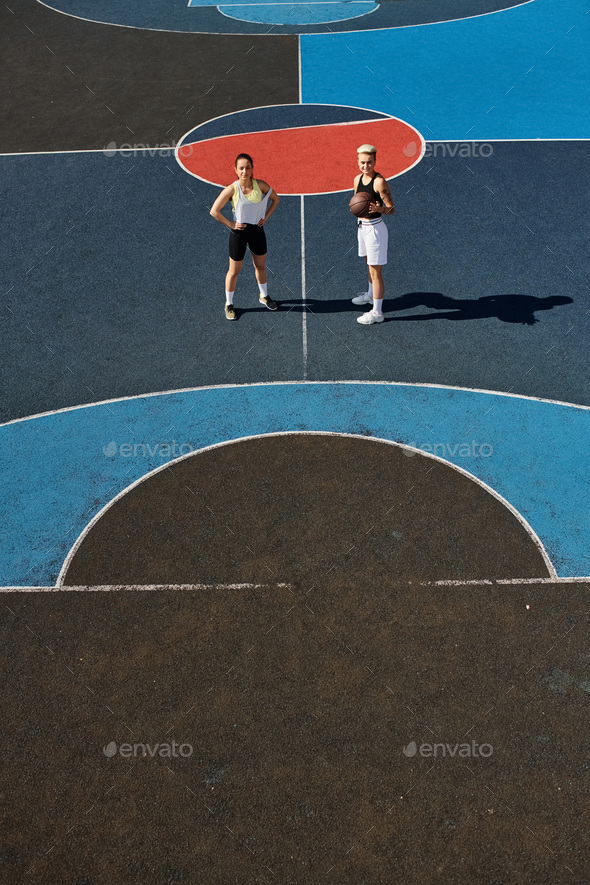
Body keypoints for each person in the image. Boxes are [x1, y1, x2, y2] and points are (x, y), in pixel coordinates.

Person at [210, 153, 280, 320]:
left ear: (252, 169)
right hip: (239, 234)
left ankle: (264, 296)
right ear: (235, 170)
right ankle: (229, 304)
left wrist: (265, 218)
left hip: (257, 231)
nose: (244, 171)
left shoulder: (260, 185)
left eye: (248, 168)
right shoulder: (232, 189)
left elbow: (275, 200)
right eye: (241, 168)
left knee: (260, 266)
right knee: (234, 271)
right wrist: (231, 224)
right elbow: (214, 211)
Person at [350, 144, 394, 325]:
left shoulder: (379, 182)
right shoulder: (357, 179)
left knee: (376, 272)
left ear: (375, 162)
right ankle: (370, 295)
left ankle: (377, 312)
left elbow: (391, 209)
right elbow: (357, 202)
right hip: (362, 227)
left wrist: (378, 209)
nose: (365, 166)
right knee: (369, 266)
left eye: (369, 162)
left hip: (375, 230)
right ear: (357, 161)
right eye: (362, 162)